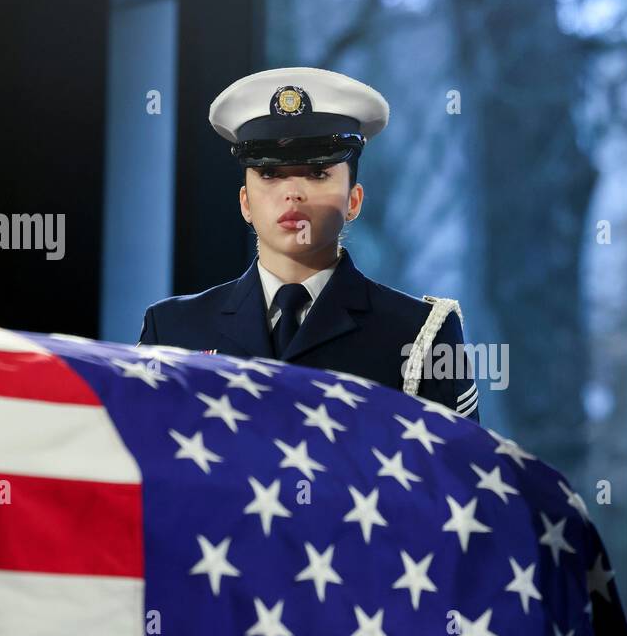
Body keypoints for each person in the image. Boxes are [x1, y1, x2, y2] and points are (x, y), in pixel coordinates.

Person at [138, 67, 479, 421]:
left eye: (318, 173)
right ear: (245, 202)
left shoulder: (420, 333)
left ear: (354, 201)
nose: (292, 193)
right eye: (270, 174)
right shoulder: (173, 329)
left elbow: (457, 471)